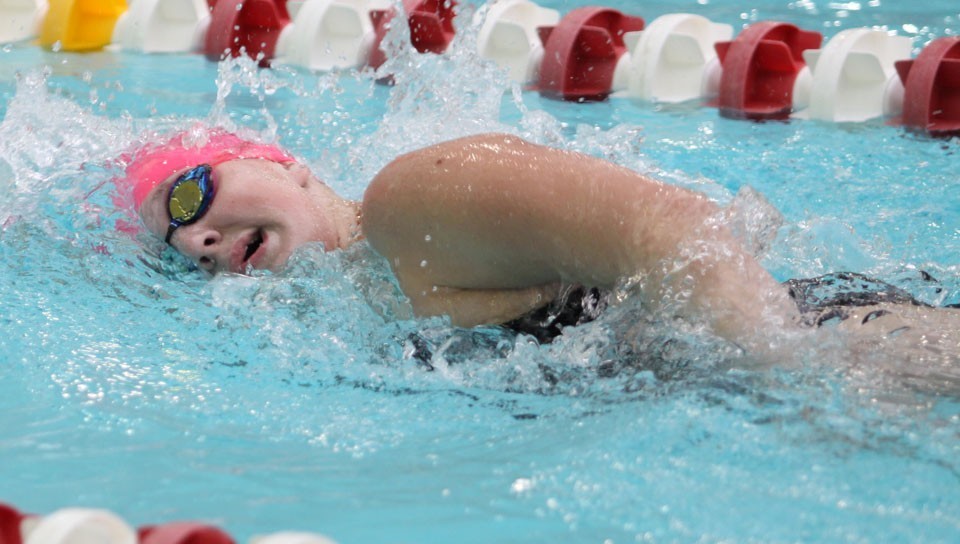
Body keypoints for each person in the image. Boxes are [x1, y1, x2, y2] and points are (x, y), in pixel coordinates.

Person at [123, 127, 960, 369]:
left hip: (832, 343)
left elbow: (677, 230)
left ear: (285, 165)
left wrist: (802, 381)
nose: (195, 237)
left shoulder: (410, 201)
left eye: (191, 194)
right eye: (177, 248)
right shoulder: (362, 302)